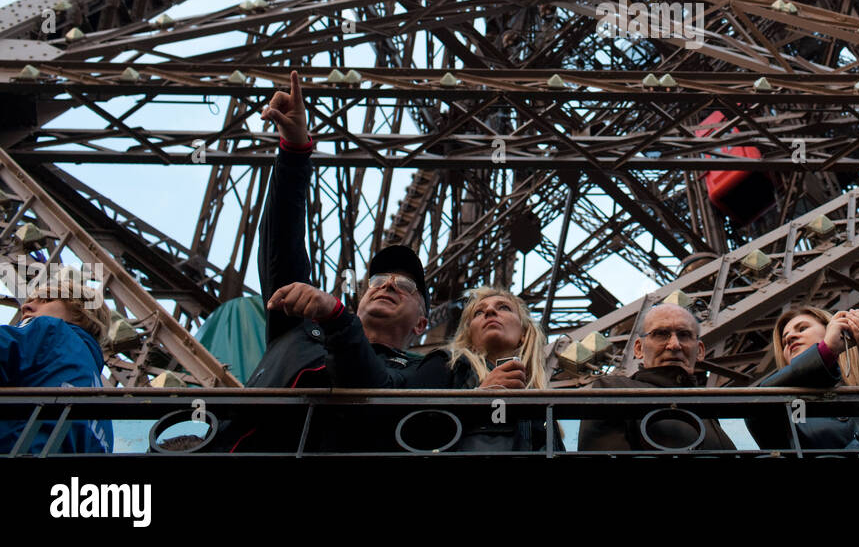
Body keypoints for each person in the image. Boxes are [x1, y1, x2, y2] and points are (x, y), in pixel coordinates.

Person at [220, 70, 431, 452]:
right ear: (358, 300)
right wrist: (294, 150)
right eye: (378, 279)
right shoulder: (301, 332)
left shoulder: (423, 375)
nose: (385, 285)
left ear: (422, 322)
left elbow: (370, 387)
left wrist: (336, 317)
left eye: (404, 286)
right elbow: (281, 246)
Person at [308, 286, 556, 452]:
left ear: (524, 334)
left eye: (504, 307)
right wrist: (479, 398)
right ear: (470, 334)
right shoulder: (445, 363)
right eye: (479, 313)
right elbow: (405, 426)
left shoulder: (542, 399)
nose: (490, 311)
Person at [745, 305, 859, 451]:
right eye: (785, 342)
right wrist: (826, 351)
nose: (791, 337)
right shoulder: (785, 412)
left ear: (836, 330)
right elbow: (755, 409)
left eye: (802, 328)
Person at [579, 302, 735, 451]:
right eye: (661, 334)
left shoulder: (707, 409)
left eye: (684, 335)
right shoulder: (613, 390)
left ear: (700, 350)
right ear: (639, 349)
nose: (674, 345)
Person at [0, 273, 114, 454]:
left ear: (80, 315)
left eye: (46, 300)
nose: (26, 306)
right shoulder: (103, 410)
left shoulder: (50, 330)